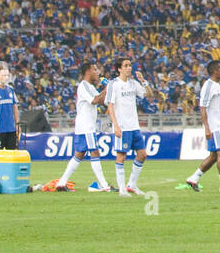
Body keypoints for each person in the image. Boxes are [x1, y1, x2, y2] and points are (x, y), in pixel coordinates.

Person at [106, 57, 162, 197]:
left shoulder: (133, 83)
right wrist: (116, 126)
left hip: (134, 126)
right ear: (119, 69)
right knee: (121, 156)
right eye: (125, 66)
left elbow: (149, 95)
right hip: (122, 126)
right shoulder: (114, 84)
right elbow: (110, 106)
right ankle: (122, 189)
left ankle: (131, 185)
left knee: (142, 154)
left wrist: (143, 81)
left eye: (130, 65)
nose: (129, 68)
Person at [57, 61, 113, 191]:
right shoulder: (84, 85)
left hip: (83, 126)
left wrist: (108, 91)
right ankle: (104, 185)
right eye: (95, 70)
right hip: (87, 127)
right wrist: (106, 89)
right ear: (88, 72)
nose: (97, 72)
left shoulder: (90, 87)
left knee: (79, 155)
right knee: (95, 152)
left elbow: (102, 101)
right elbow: (94, 100)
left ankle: (61, 183)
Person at [186, 60, 220, 192]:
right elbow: (202, 107)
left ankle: (194, 178)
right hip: (215, 127)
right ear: (215, 71)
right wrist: (207, 128)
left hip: (217, 125)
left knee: (214, 156)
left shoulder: (216, 85)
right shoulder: (208, 86)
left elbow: (219, 106)